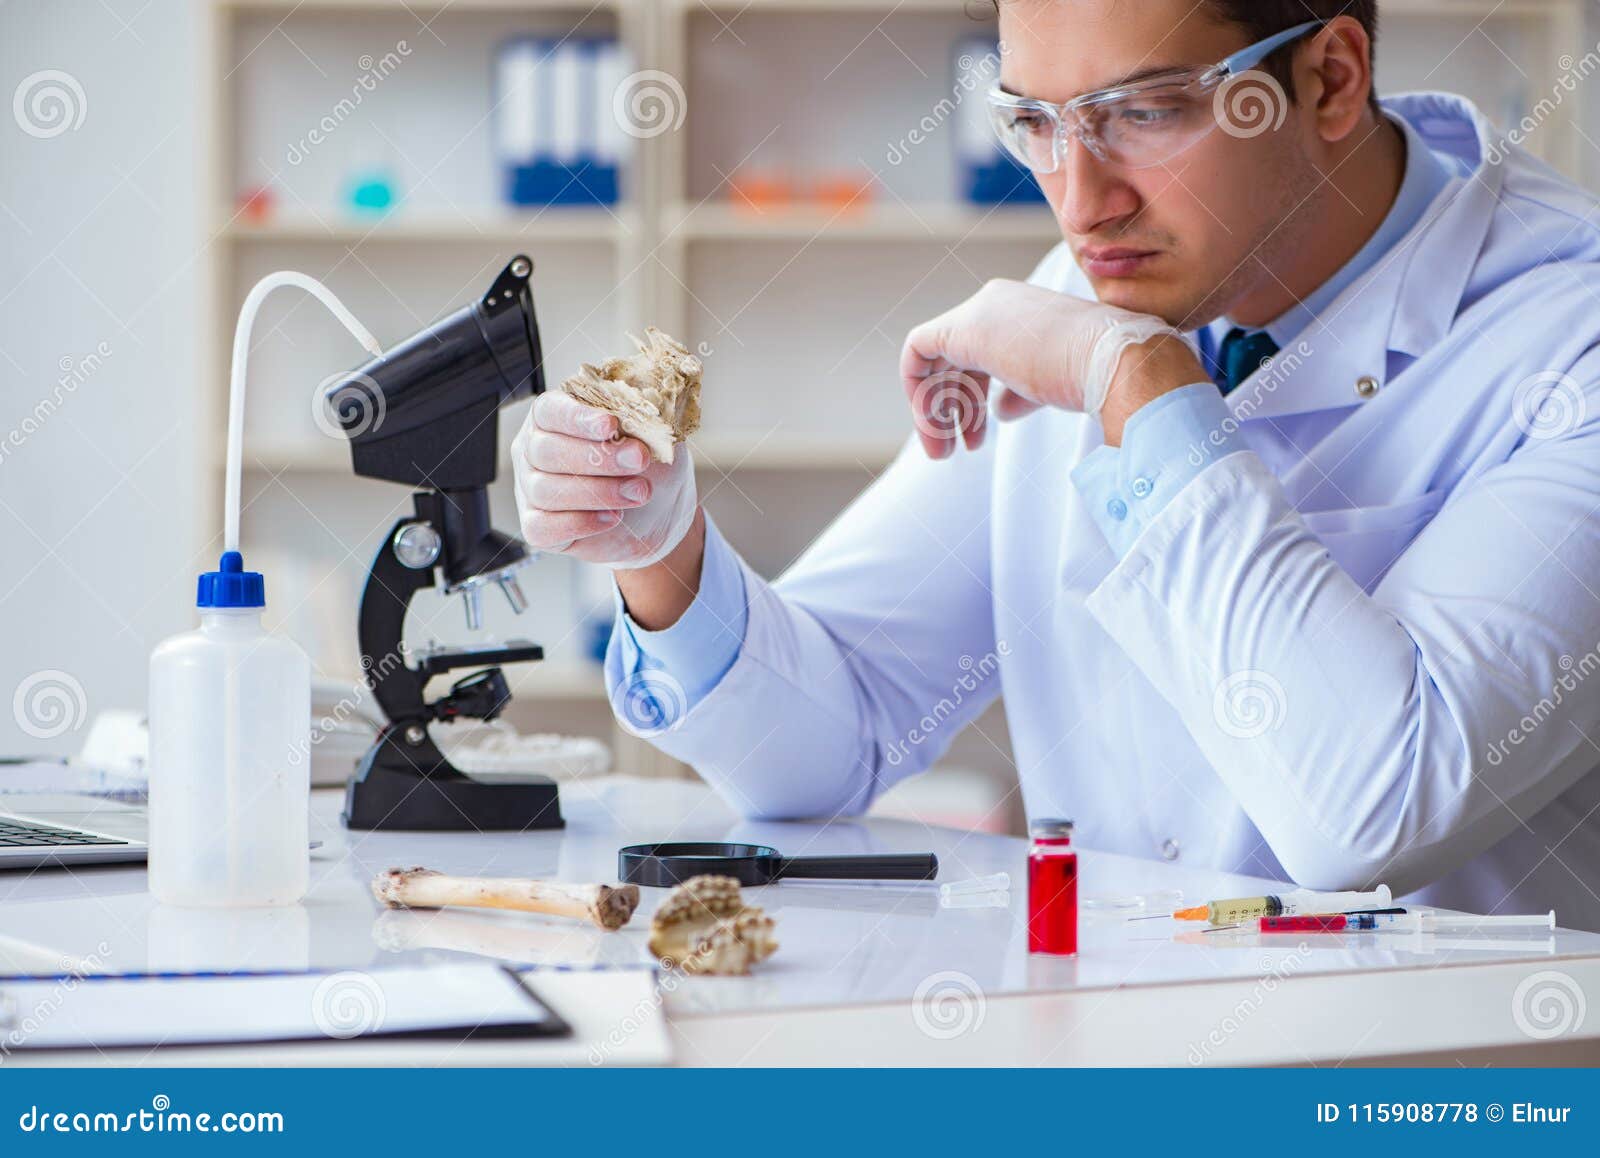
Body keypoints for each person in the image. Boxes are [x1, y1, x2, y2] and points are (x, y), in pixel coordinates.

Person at [511, 0, 1600, 929]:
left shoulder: (1568, 341)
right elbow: (830, 740)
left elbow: (1369, 811)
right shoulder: (1103, 294)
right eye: (1034, 120)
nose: (1080, 205)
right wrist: (657, 551)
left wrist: (1144, 392)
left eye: (1143, 112)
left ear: (1327, 79)